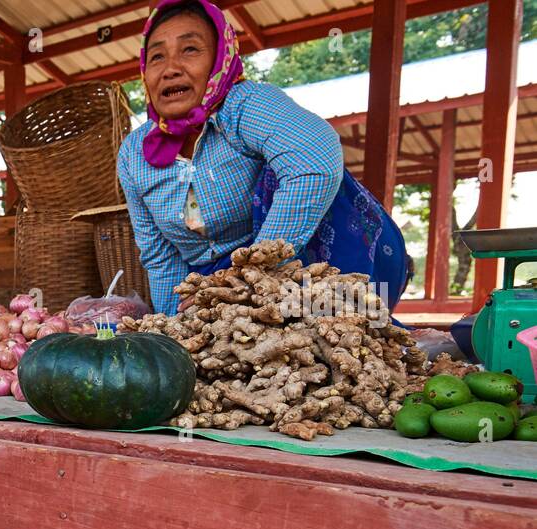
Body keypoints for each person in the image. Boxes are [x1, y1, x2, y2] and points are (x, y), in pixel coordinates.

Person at [118, 0, 409, 316]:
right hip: (216, 282)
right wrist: (173, 328)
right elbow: (160, 256)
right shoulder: (134, 154)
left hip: (313, 264)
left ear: (219, 59)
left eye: (190, 50)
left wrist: (249, 276)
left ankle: (353, 314)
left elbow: (317, 159)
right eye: (157, 56)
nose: (171, 67)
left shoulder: (244, 105)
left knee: (333, 341)